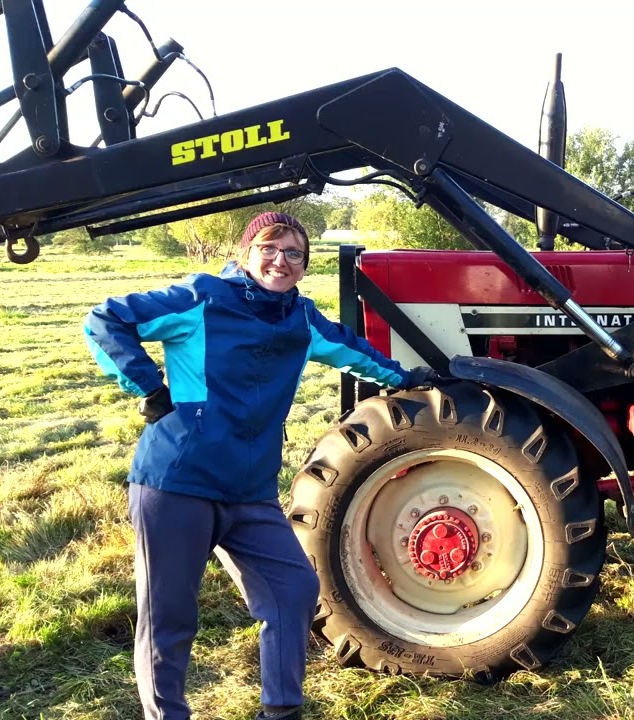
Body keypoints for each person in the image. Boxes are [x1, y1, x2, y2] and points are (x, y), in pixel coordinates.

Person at [84, 211, 439, 720]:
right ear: (247, 253)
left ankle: (281, 711)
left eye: (294, 252)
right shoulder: (202, 298)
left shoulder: (301, 319)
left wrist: (408, 377)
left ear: (303, 265)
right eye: (269, 248)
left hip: (249, 489)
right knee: (169, 615)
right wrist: (149, 388)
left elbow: (353, 352)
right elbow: (104, 319)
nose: (280, 260)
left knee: (293, 589)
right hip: (177, 482)